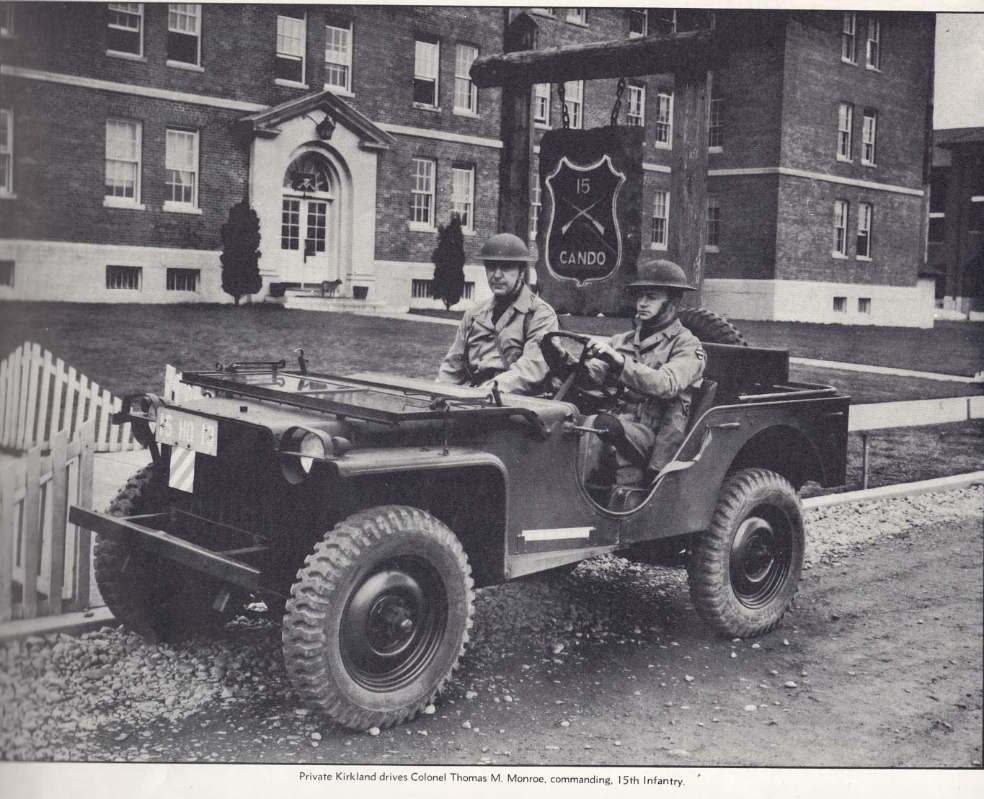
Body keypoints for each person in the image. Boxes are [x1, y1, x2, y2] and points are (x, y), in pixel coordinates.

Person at [581, 258, 706, 486]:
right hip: (619, 421)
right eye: (640, 297)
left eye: (651, 297)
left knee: (595, 425)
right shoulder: (623, 340)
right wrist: (569, 362)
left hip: (653, 434)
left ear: (673, 302)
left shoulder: (687, 345)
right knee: (567, 422)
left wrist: (621, 363)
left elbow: (666, 384)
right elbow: (594, 373)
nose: (642, 303)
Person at [437, 233, 559, 395]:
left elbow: (531, 370)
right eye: (491, 267)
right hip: (475, 398)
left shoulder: (540, 314)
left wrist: (484, 392)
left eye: (506, 267)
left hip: (518, 402)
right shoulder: (474, 314)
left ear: (521, 271)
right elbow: (452, 367)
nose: (497, 275)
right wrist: (437, 393)